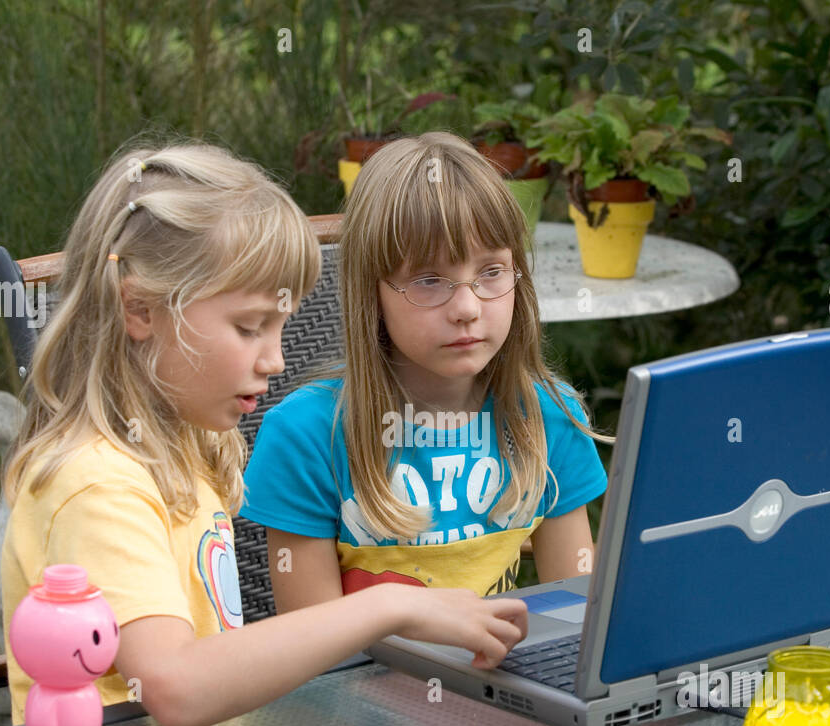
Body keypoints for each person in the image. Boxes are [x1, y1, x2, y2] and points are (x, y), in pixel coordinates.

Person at [0, 141, 528, 726]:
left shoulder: (182, 447)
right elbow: (174, 687)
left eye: (280, 327)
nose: (275, 360)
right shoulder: (96, 483)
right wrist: (388, 605)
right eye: (250, 327)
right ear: (142, 309)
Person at [242, 132, 610, 612]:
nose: (466, 307)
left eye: (492, 271)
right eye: (429, 280)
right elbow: (313, 653)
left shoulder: (549, 415)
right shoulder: (307, 435)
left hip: (498, 680)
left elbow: (575, 616)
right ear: (369, 292)